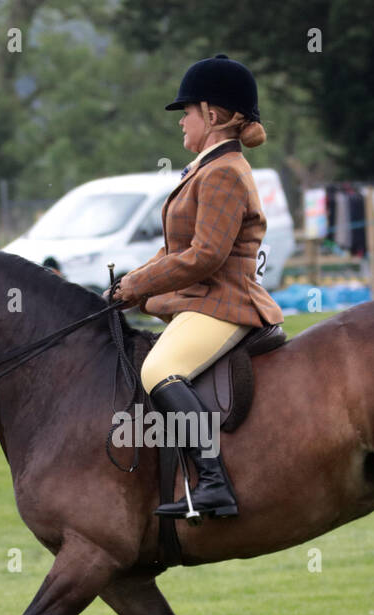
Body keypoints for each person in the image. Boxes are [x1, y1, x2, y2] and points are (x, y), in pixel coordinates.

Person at [112, 54, 282, 520]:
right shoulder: (205, 168)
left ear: (211, 115)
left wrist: (137, 286)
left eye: (185, 112)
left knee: (158, 370)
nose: (181, 122)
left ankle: (214, 484)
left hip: (226, 305)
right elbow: (174, 250)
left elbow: (206, 255)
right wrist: (129, 285)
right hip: (204, 303)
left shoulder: (225, 172)